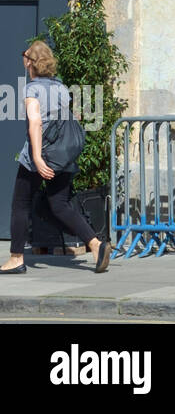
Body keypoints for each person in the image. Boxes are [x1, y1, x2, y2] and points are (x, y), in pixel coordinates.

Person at [2, 40, 110, 275]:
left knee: (20, 204)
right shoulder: (61, 87)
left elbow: (35, 123)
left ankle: (16, 258)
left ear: (30, 62)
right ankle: (95, 244)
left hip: (38, 156)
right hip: (63, 156)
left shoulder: (32, 89)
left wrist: (38, 159)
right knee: (59, 205)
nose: (23, 58)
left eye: (25, 55)